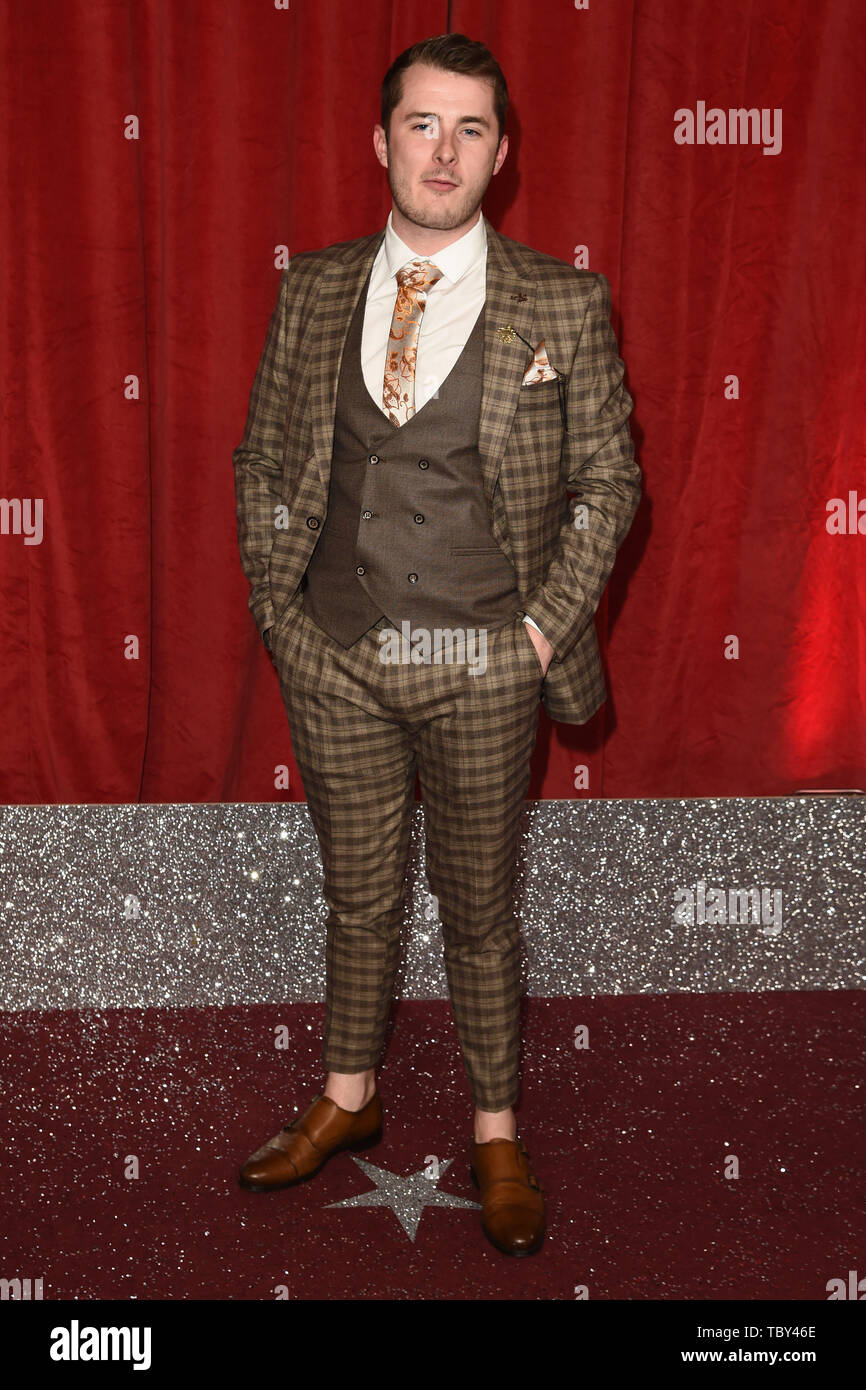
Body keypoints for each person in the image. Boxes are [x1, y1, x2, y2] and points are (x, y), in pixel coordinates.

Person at [232, 32, 641, 1257]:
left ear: (501, 153)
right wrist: (283, 617)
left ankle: (495, 1126)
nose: (444, 150)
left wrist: (532, 634)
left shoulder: (559, 301)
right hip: (338, 655)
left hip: (483, 663)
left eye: (470, 129)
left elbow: (607, 487)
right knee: (356, 898)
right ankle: (347, 1101)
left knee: (478, 905)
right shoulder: (310, 286)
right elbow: (261, 459)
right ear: (381, 140)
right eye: (422, 124)